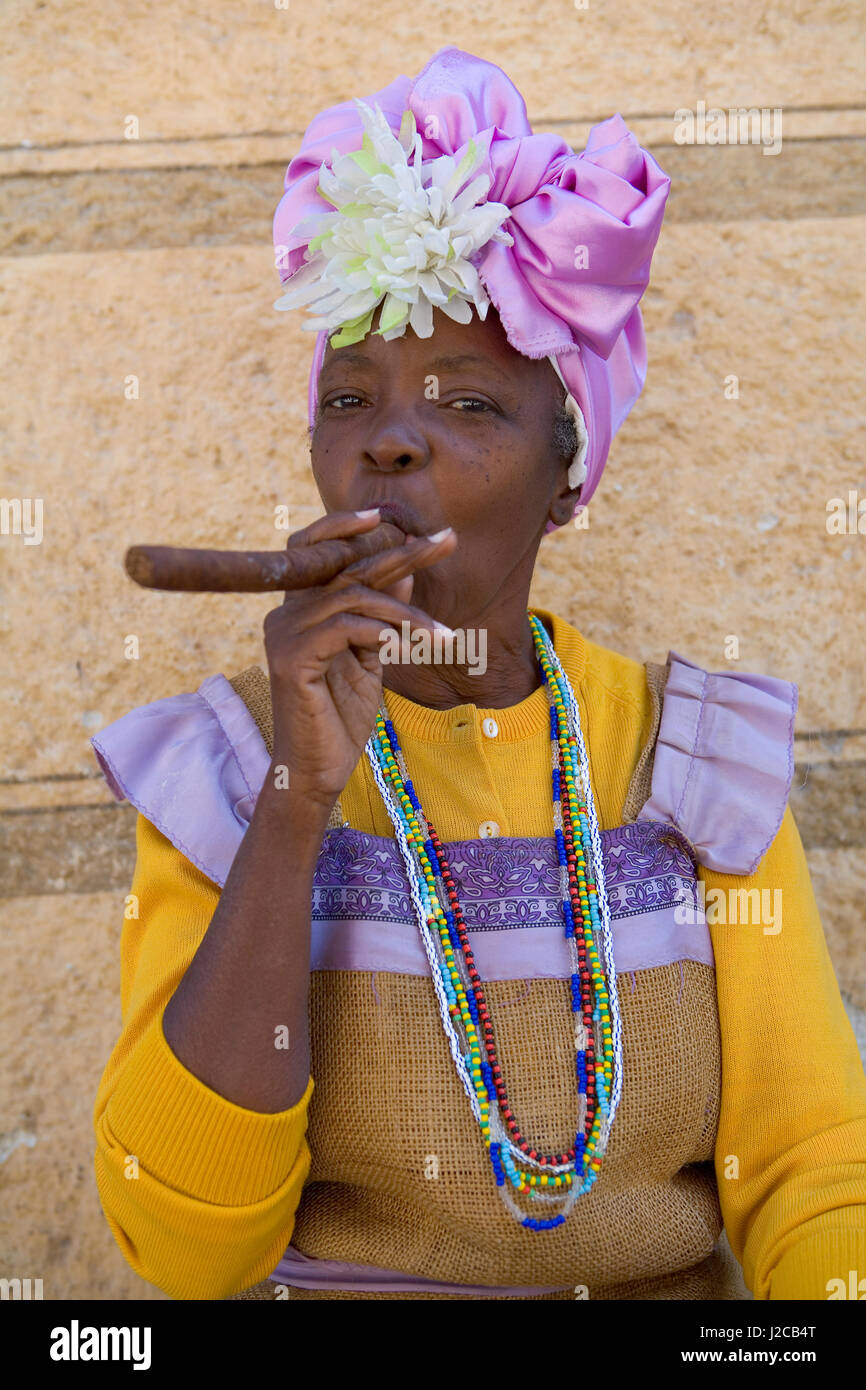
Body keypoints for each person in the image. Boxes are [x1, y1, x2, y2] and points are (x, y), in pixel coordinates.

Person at [90, 47, 866, 1301]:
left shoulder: (687, 758)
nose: (388, 438)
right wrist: (296, 802)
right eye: (352, 397)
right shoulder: (226, 773)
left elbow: (813, 1169)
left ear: (566, 478)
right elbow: (187, 1249)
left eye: (467, 405)